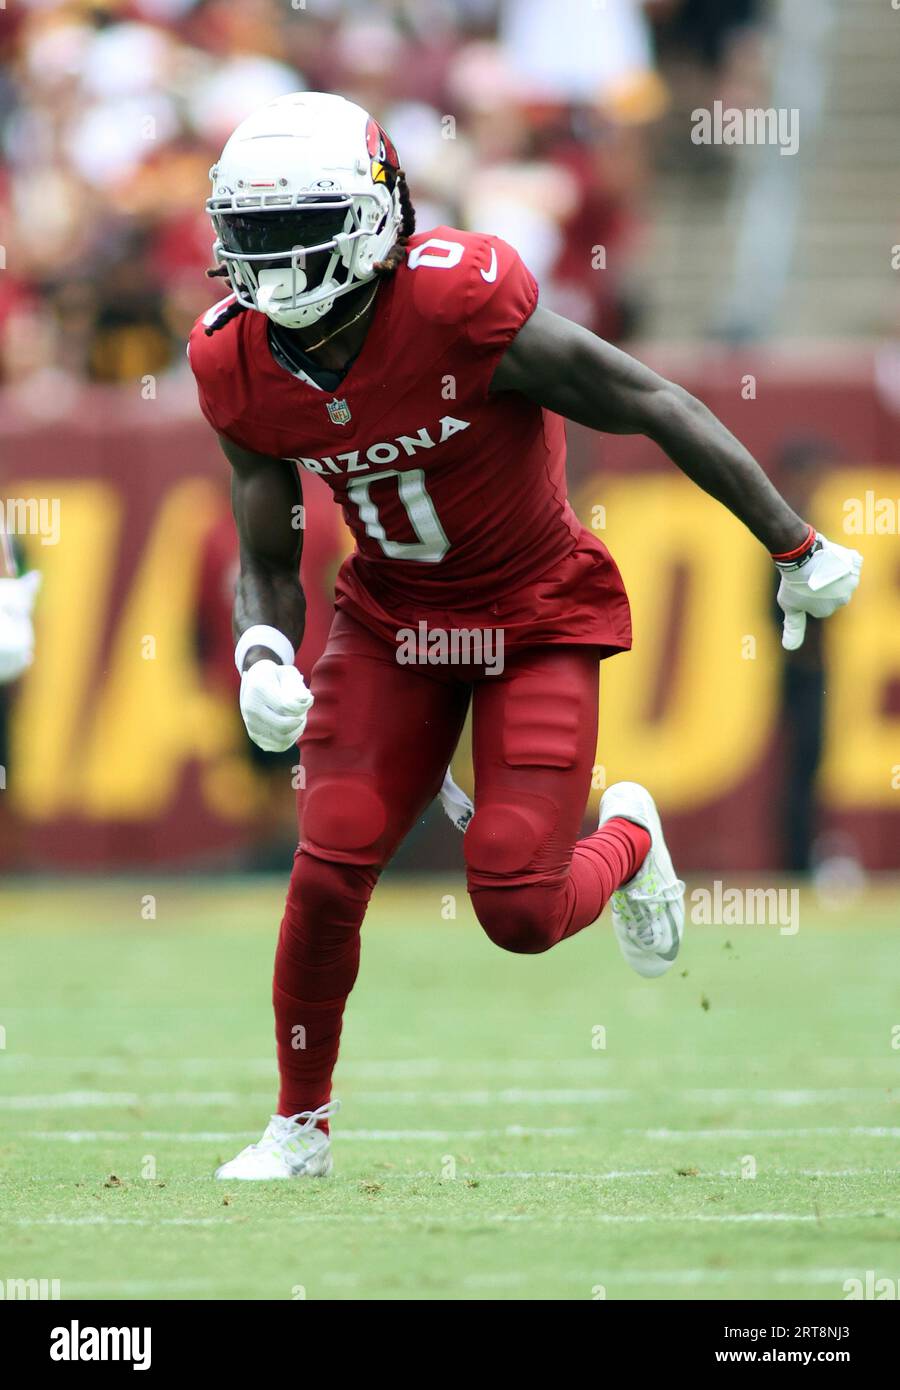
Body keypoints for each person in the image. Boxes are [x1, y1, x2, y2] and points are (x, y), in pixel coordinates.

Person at [187, 92, 861, 1180]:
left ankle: (630, 838)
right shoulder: (237, 361)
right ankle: (297, 1126)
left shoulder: (459, 301)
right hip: (394, 617)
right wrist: (263, 652)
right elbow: (267, 552)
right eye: (246, 232)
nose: (261, 261)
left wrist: (793, 542)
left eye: (287, 228)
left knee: (519, 905)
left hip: (535, 609)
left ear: (367, 219)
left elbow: (644, 396)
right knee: (330, 862)